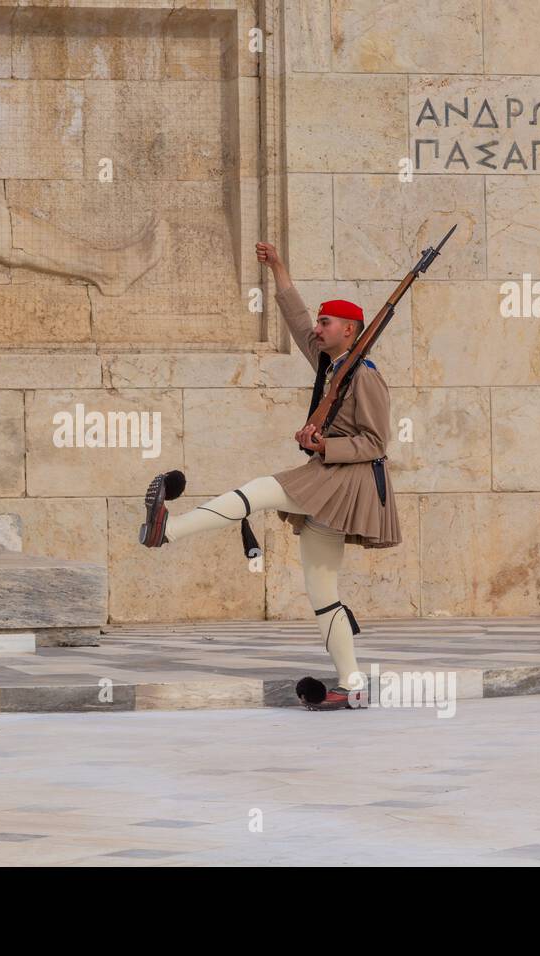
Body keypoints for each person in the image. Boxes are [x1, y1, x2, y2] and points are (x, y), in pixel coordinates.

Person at [138, 241, 400, 711]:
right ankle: (352, 682)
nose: (316, 329)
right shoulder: (331, 363)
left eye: (327, 323)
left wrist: (325, 445)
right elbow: (297, 318)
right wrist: (279, 268)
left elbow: (378, 442)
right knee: (322, 593)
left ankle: (166, 531)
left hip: (346, 481)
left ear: (351, 330)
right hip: (330, 479)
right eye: (319, 322)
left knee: (260, 490)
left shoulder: (365, 375)